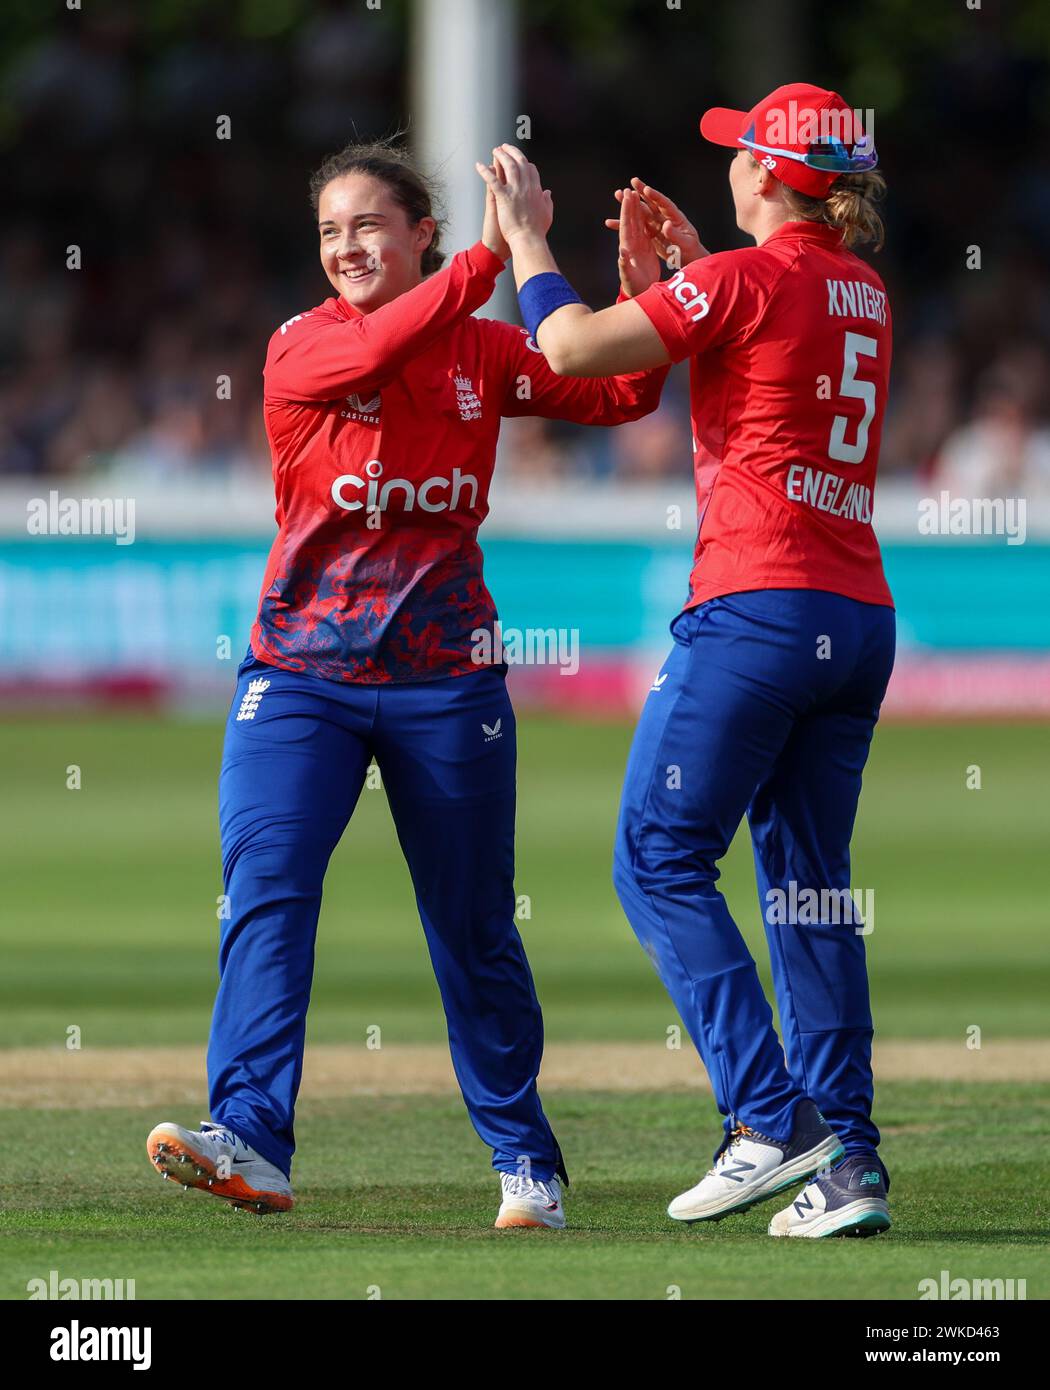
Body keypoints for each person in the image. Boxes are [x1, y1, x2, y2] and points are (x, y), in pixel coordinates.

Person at [145, 137, 669, 1230]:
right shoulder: (301, 345)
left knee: (474, 924)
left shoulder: (481, 351)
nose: (346, 247)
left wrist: (645, 293)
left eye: (369, 225)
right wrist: (494, 254)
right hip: (299, 679)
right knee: (268, 894)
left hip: (447, 683)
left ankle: (526, 1161)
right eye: (331, 230)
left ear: (419, 232)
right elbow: (381, 345)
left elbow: (618, 393)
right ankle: (249, 1135)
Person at [479, 82, 896, 1238]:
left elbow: (564, 347)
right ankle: (846, 1162)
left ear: (766, 171)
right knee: (808, 885)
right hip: (855, 614)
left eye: (738, 152)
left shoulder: (748, 281)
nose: (727, 162)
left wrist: (527, 240)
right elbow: (776, 329)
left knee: (657, 859)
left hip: (758, 607)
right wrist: (693, 268)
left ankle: (771, 1121)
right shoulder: (859, 287)